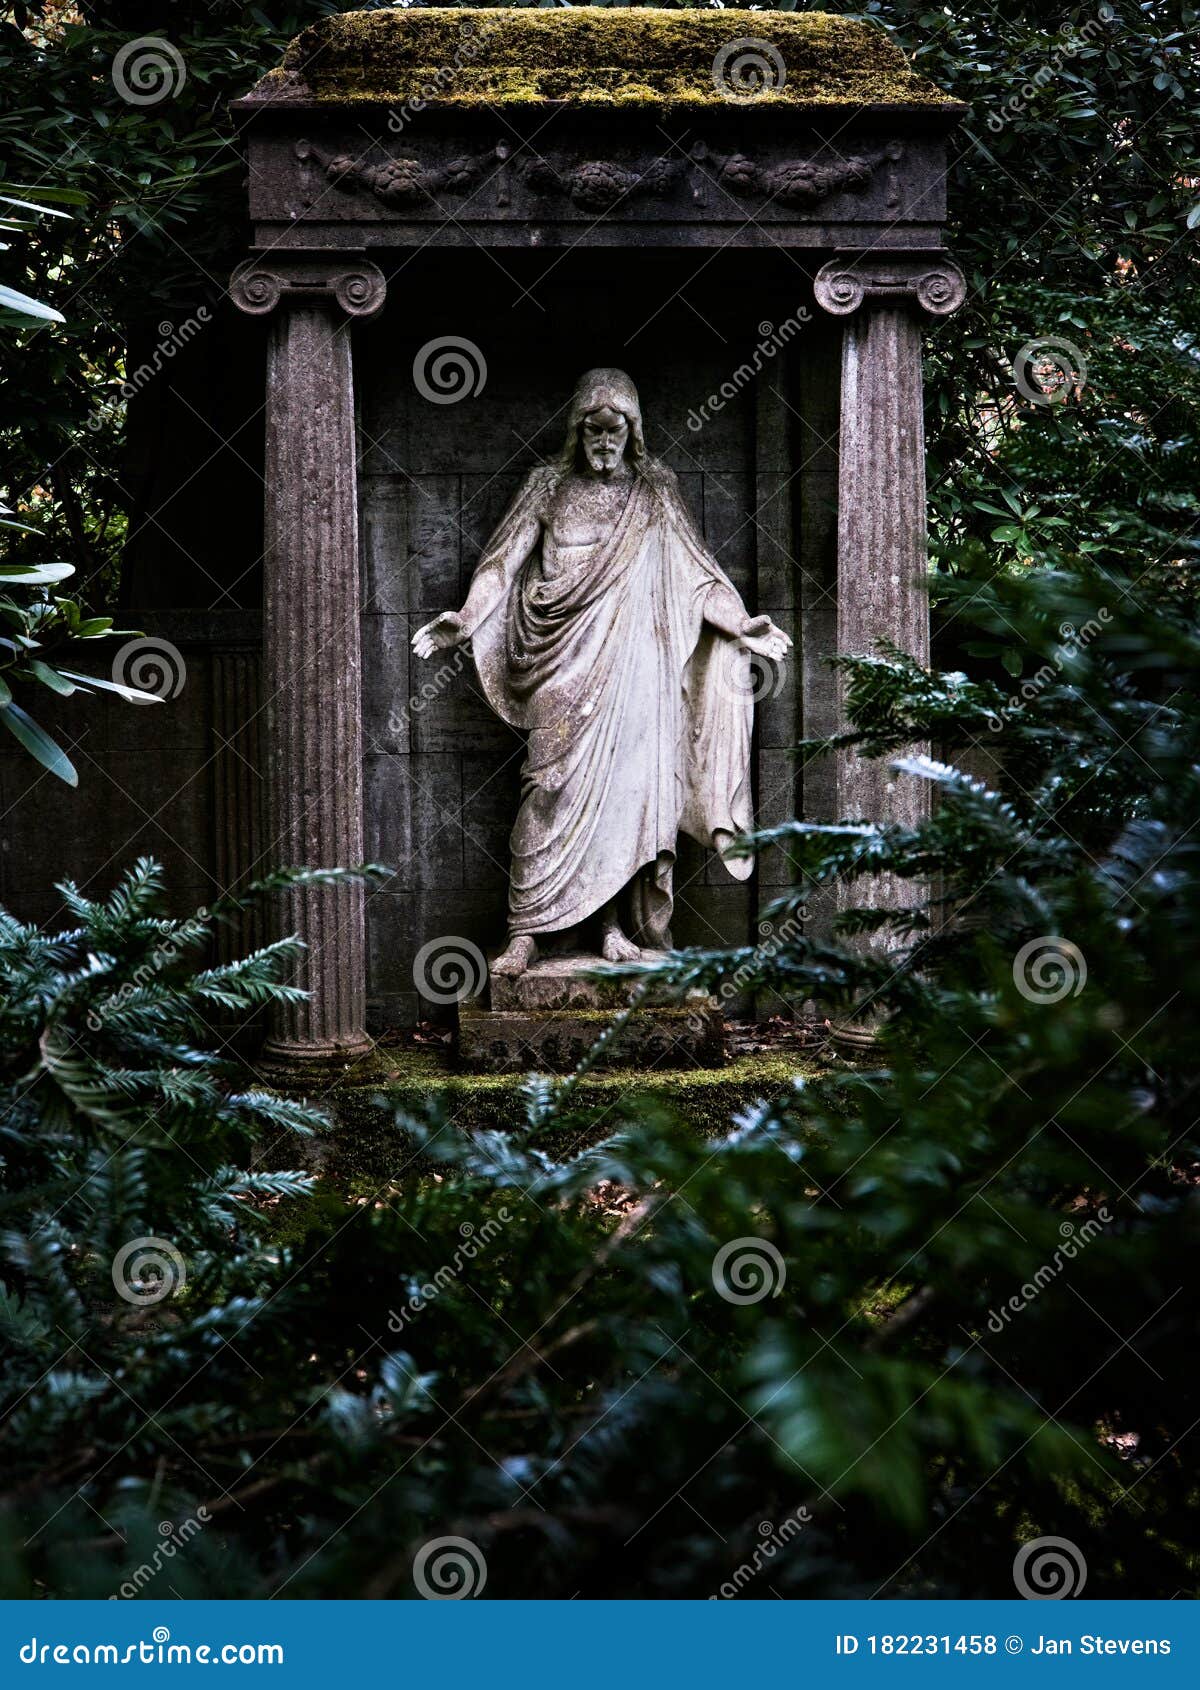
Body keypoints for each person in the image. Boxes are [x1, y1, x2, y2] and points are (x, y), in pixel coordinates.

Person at [412, 367, 790, 976]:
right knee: (547, 787)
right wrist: (465, 618)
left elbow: (696, 578)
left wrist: (741, 625)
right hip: (557, 663)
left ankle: (612, 927)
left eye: (617, 431)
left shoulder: (654, 489)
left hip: (634, 669)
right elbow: (502, 564)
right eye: (595, 430)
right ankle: (526, 932)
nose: (606, 443)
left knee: (626, 796)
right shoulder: (546, 486)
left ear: (634, 433)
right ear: (578, 430)